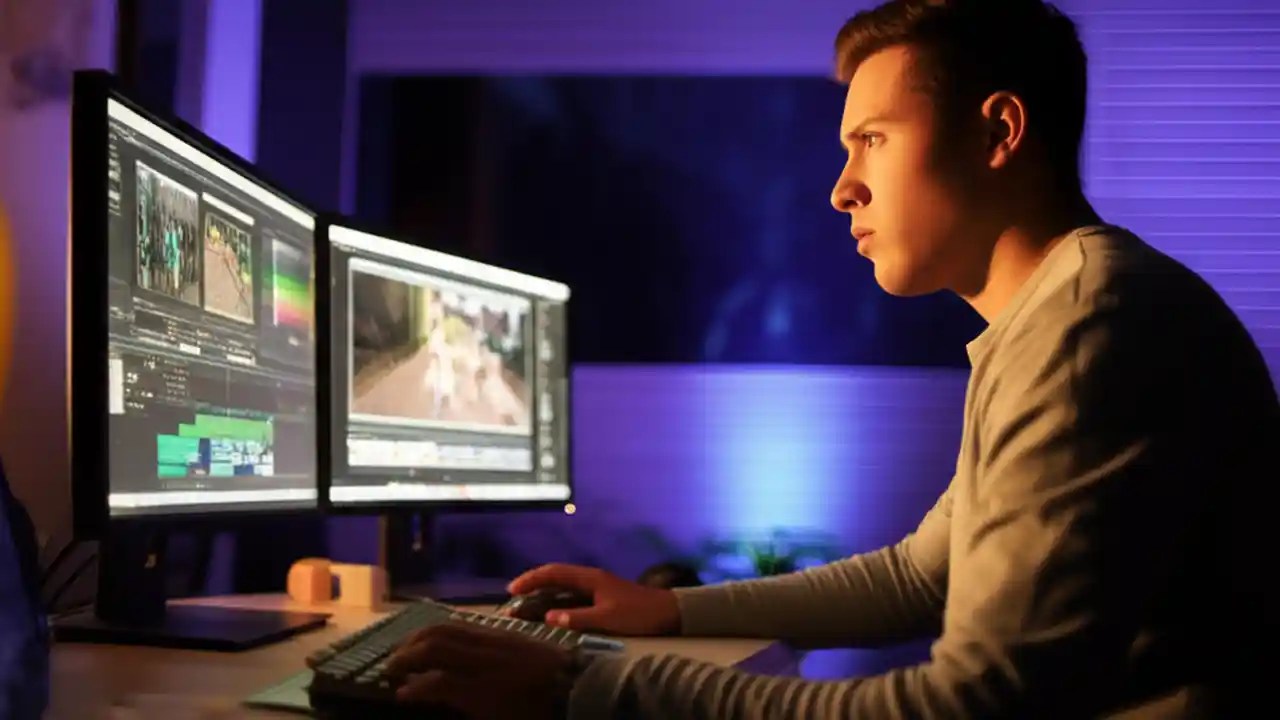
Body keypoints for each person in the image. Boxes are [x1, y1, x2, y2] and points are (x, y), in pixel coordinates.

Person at [385, 1, 1280, 717]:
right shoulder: (1061, 312)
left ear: (998, 131)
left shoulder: (1087, 326)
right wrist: (669, 610)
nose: (841, 187)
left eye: (874, 141)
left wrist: (574, 687)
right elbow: (921, 574)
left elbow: (980, 701)